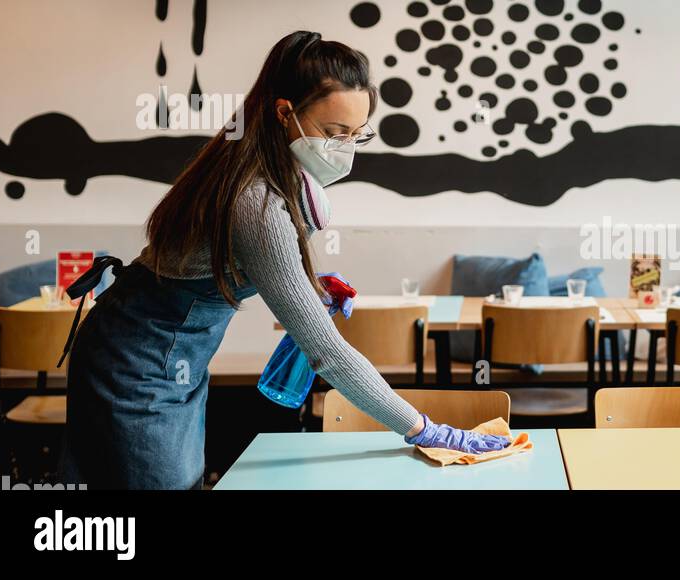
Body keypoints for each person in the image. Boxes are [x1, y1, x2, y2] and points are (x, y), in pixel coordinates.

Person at [57, 31, 510, 490]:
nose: (346, 149)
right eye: (335, 133)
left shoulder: (259, 166)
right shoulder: (257, 203)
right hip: (136, 360)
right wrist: (425, 430)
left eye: (358, 135)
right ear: (284, 113)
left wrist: (306, 285)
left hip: (173, 356)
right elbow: (327, 354)